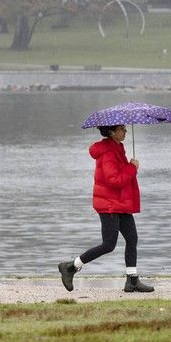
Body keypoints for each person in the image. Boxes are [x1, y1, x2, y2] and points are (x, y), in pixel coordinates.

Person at [58, 124, 155, 293]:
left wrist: (130, 166)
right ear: (112, 132)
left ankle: (132, 280)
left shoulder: (117, 148)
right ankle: (71, 267)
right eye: (122, 129)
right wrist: (133, 167)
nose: (125, 131)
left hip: (120, 204)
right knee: (108, 245)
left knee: (132, 239)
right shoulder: (109, 153)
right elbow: (114, 181)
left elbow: (119, 176)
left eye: (125, 129)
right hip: (109, 204)